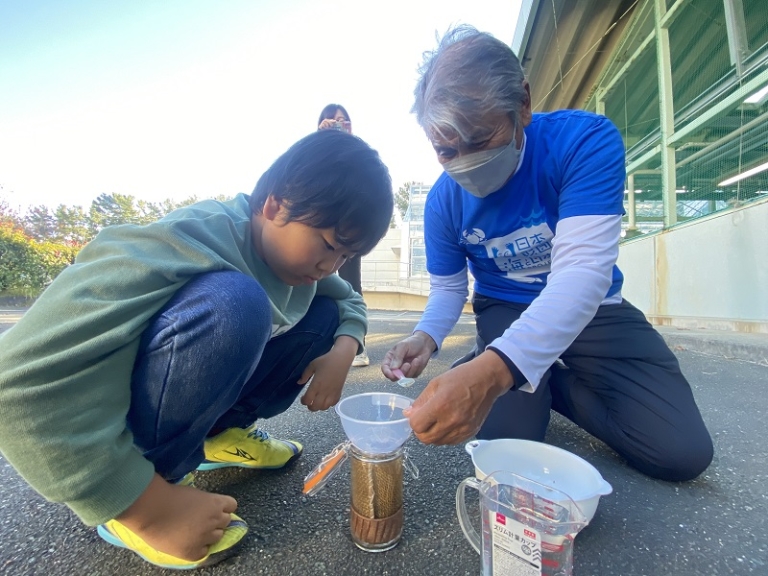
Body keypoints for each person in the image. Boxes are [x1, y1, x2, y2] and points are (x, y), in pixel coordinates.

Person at [0, 129, 393, 570]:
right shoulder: (179, 243)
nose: (330, 265)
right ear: (275, 205)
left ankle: (217, 436)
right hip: (127, 432)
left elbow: (347, 298)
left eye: (345, 257)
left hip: (190, 389)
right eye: (328, 245)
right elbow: (15, 386)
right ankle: (144, 496)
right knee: (236, 303)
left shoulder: (302, 264)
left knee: (323, 317)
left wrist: (345, 347)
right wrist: (146, 504)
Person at [382, 25, 713, 483]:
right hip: (507, 308)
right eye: (445, 150)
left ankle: (535, 375)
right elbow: (448, 289)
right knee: (506, 447)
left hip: (594, 308)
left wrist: (493, 374)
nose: (464, 162)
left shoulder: (582, 143)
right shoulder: (444, 201)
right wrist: (425, 337)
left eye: (480, 139)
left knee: (680, 450)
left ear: (523, 103)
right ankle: (525, 368)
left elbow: (582, 274)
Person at [317, 103, 369, 367]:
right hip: (320, 231)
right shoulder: (315, 152)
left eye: (342, 120)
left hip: (350, 232)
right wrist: (319, 138)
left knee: (351, 285)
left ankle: (357, 346)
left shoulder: (358, 153)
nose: (336, 123)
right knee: (315, 283)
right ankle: (317, 342)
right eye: (330, 120)